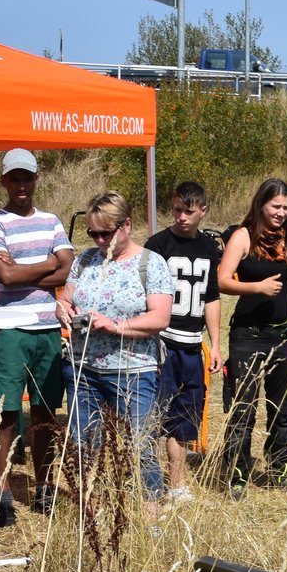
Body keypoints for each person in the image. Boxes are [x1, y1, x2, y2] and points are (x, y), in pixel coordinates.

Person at [56, 191, 174, 510]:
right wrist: (63, 309)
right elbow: (66, 298)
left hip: (132, 370)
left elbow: (159, 318)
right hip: (83, 370)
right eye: (92, 233)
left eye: (105, 233)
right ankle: (92, 517)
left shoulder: (151, 264)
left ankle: (149, 516)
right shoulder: (84, 260)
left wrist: (114, 325)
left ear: (127, 226)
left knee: (140, 446)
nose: (98, 240)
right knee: (84, 446)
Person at [0, 149, 74, 528]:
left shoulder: (51, 220)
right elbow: (5, 277)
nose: (22, 185)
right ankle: (2, 496)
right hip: (11, 329)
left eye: (27, 178)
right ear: (3, 181)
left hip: (49, 328)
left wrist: (24, 271)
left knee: (46, 414)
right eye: (14, 178)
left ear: (37, 179)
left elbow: (68, 267)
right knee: (4, 413)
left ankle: (44, 488)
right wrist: (48, 265)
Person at [216, 178, 287, 496]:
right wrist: (255, 288)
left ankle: (279, 472)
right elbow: (221, 280)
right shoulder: (243, 237)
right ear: (261, 205)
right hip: (247, 335)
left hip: (285, 335)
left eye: (286, 208)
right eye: (276, 206)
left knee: (282, 408)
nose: (281, 213)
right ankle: (237, 475)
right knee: (243, 409)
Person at [143, 181, 224, 506]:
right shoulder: (159, 244)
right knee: (152, 415)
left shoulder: (209, 248)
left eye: (188, 211)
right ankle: (147, 483)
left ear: (203, 211)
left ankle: (177, 485)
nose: (181, 217)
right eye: (177, 209)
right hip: (162, 343)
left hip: (192, 345)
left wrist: (215, 344)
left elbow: (212, 297)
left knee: (183, 418)